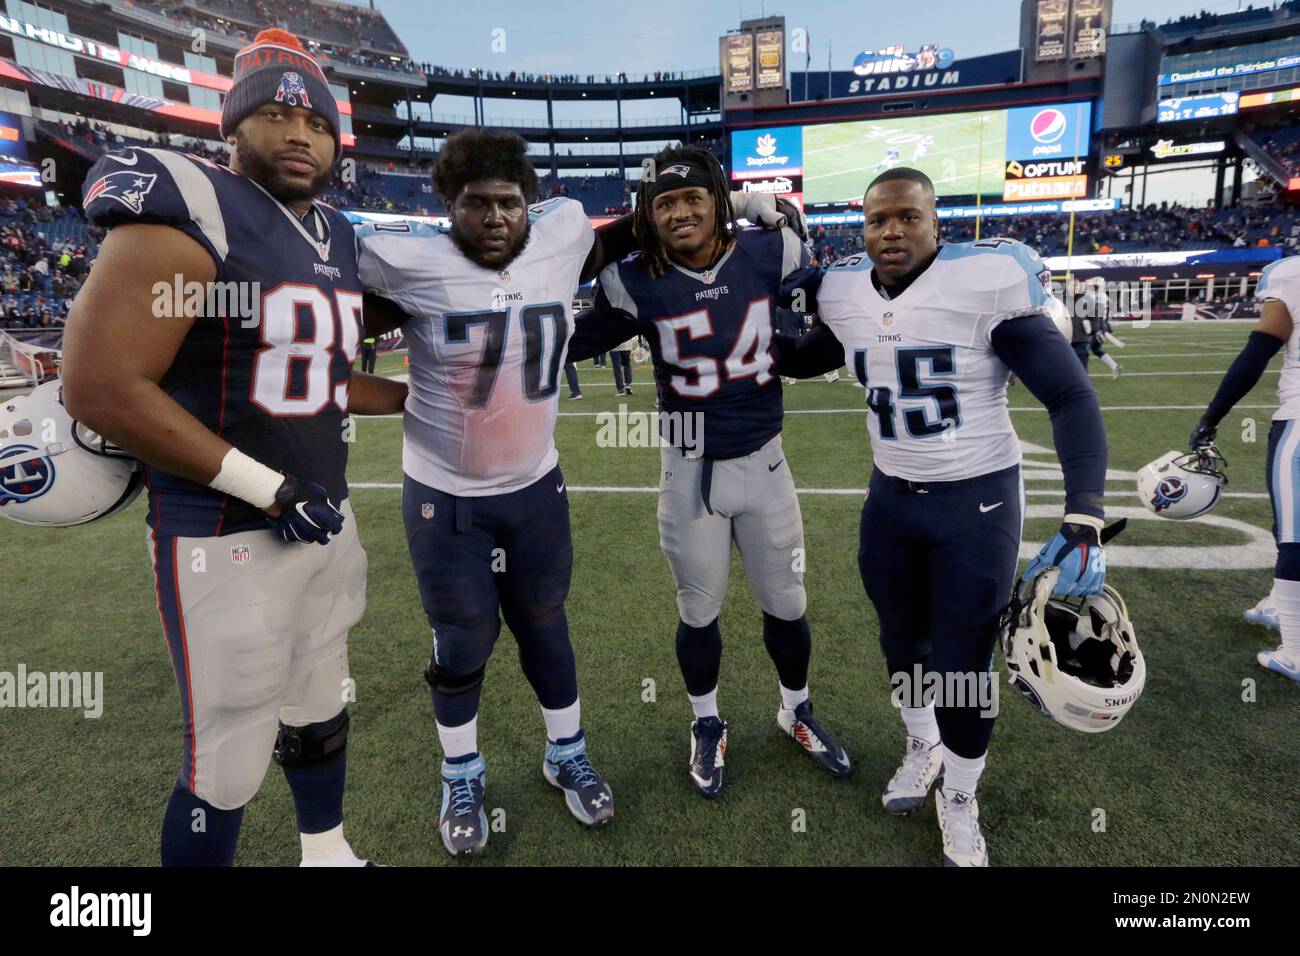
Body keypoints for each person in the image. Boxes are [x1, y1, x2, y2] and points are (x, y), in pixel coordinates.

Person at [60, 29, 407, 867]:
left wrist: (433, 398)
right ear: (232, 127)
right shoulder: (197, 202)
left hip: (323, 518)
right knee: (229, 755)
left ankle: (325, 852)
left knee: (322, 702)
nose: (299, 134)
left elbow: (310, 380)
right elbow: (102, 386)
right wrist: (268, 487)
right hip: (224, 533)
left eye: (317, 123)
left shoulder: (337, 234)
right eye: (276, 114)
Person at [775, 167, 1109, 866]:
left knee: (963, 663)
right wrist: (759, 337)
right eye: (877, 221)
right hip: (891, 500)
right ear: (860, 228)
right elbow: (810, 358)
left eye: (907, 217)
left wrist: (1085, 514)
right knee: (902, 643)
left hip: (976, 501)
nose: (891, 232)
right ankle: (921, 740)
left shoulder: (981, 284)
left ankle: (960, 793)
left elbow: (1071, 398)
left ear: (936, 224)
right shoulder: (843, 290)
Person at [354, 129, 645, 856]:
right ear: (448, 203)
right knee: (463, 640)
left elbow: (641, 228)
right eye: (476, 204)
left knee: (546, 623)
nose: (494, 218)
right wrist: (399, 399)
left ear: (531, 203)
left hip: (535, 487)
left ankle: (565, 751)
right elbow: (309, 326)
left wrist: (746, 202)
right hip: (445, 497)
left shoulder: (563, 234)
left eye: (509, 203)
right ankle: (461, 770)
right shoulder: (407, 260)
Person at [567, 146, 851, 799]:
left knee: (786, 604)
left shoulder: (769, 252)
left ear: (717, 201)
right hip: (688, 474)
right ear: (647, 215)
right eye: (663, 203)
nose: (680, 211)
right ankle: (706, 723)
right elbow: (562, 315)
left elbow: (802, 348)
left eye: (692, 197)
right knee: (698, 612)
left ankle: (796, 710)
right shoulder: (631, 278)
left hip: (766, 462)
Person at [1188, 255, 1300, 683]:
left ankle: (1294, 650)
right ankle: (1278, 601)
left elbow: (1256, 354)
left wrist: (1212, 417)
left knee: (1294, 535)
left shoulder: (1290, 273)